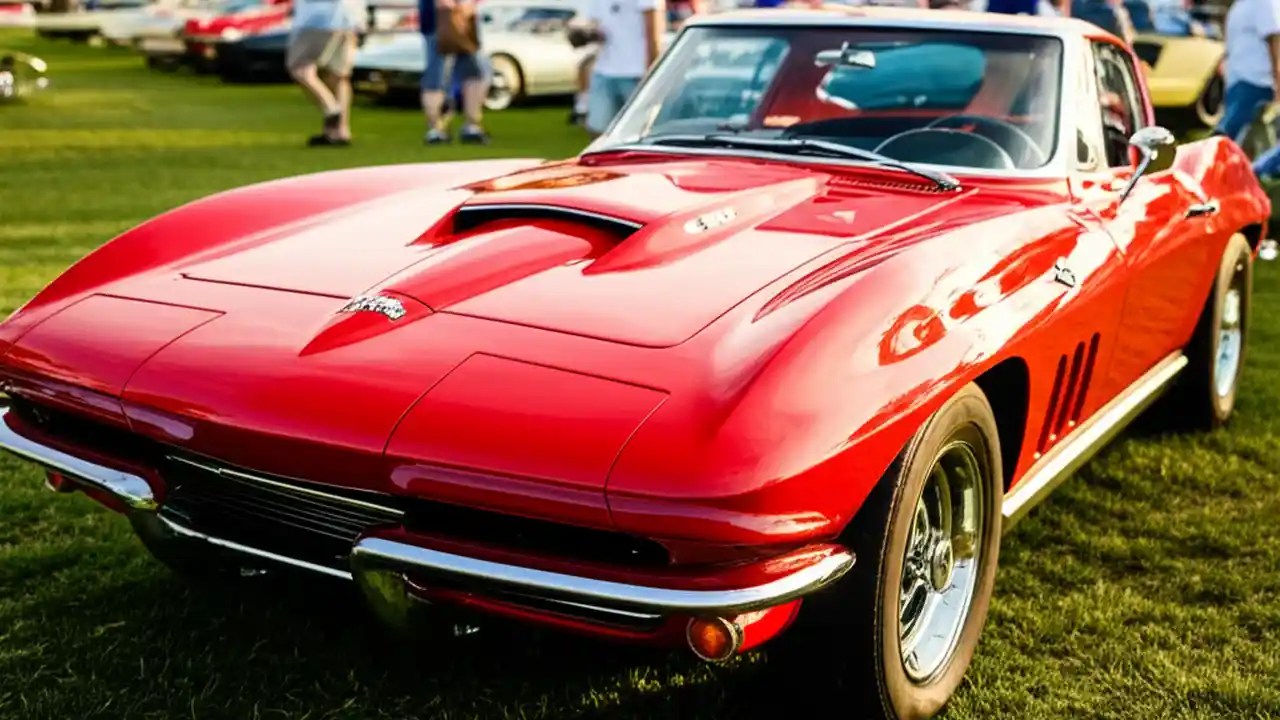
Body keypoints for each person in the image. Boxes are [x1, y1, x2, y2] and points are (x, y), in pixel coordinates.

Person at [286, 0, 368, 147]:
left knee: (300, 69)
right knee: (339, 76)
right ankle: (340, 131)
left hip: (317, 21)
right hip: (349, 20)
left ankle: (332, 110)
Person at [1215, 0, 1280, 178]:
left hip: (1255, 80)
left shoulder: (1262, 3)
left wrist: (1277, 78)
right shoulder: (1242, 5)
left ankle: (1247, 173)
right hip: (1243, 80)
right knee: (1241, 134)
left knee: (1229, 134)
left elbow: (1274, 40)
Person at [583, 0, 665, 138]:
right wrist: (587, 34)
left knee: (640, 133)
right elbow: (596, 25)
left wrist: (652, 75)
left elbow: (653, 34)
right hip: (604, 71)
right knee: (598, 131)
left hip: (637, 73)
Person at [420, 0, 490, 145]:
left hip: (460, 15)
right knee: (437, 73)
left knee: (472, 71)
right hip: (441, 16)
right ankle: (437, 128)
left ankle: (471, 124)